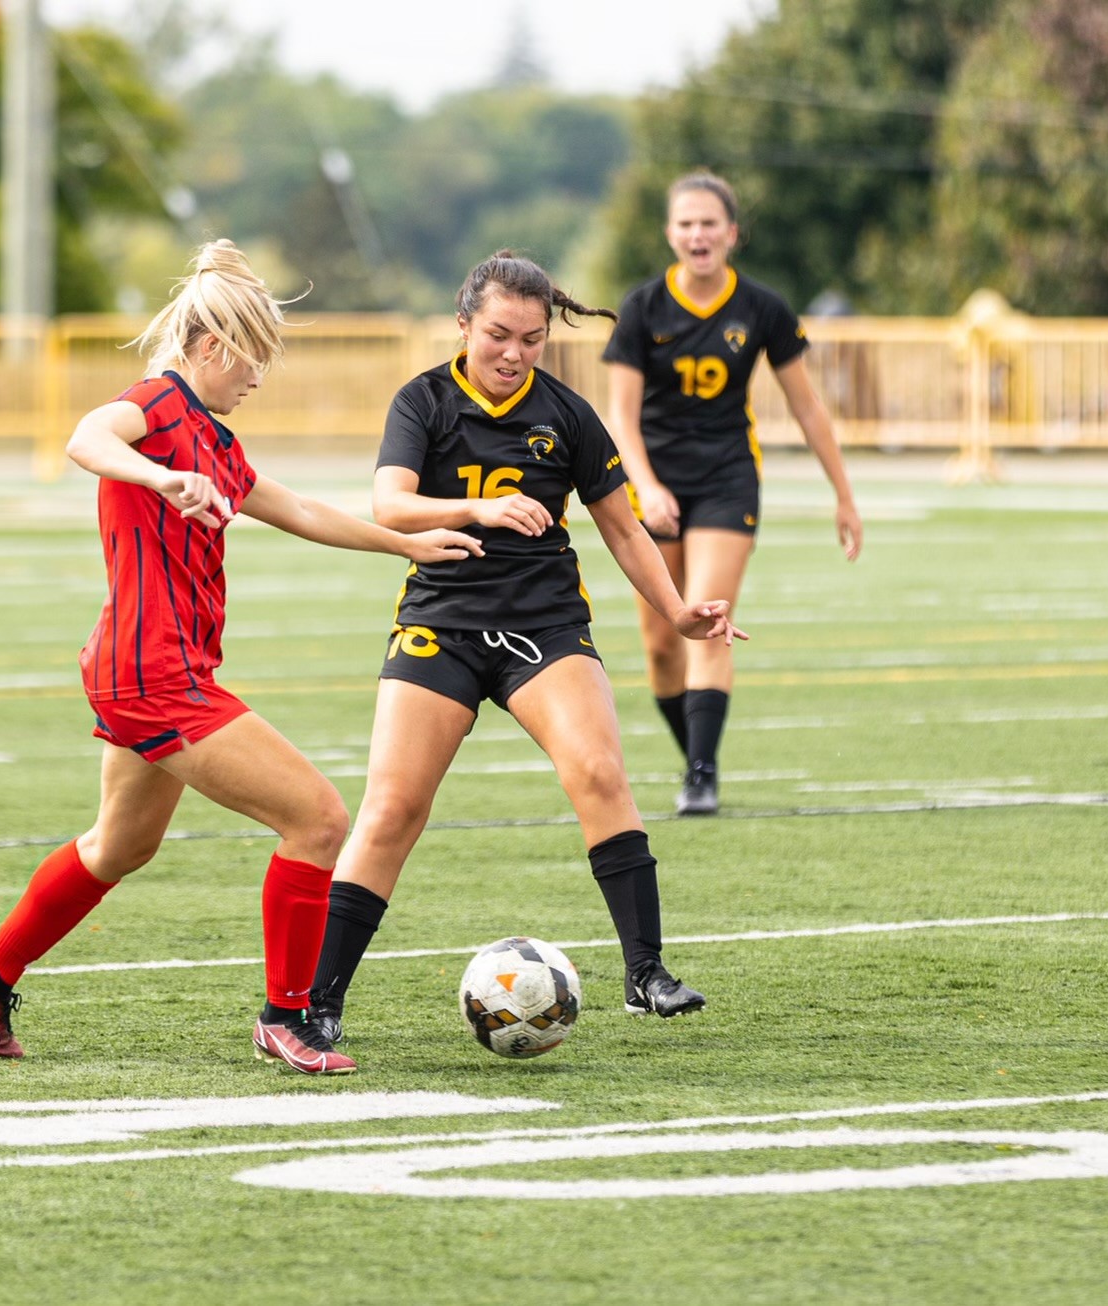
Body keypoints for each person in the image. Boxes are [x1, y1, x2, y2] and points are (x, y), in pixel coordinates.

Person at [0, 239, 480, 1075]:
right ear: (212, 347)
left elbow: (299, 507)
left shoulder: (216, 441)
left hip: (147, 666)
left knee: (119, 847)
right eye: (253, 360)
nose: (257, 379)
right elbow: (87, 438)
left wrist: (411, 544)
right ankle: (286, 1018)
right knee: (318, 819)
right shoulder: (154, 407)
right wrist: (159, 481)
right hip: (155, 673)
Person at [306, 251, 746, 1052]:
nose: (513, 354)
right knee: (393, 807)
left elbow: (621, 526)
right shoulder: (425, 400)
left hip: (543, 627)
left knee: (599, 771)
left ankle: (645, 974)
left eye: (532, 340)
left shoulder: (567, 414)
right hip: (439, 624)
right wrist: (483, 507)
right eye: (499, 335)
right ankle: (321, 1002)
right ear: (464, 323)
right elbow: (389, 504)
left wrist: (679, 612)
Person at [603, 170, 862, 817]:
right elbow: (620, 417)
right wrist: (645, 486)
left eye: (709, 223)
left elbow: (807, 408)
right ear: (670, 233)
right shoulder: (641, 308)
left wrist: (843, 495)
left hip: (725, 477)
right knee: (662, 643)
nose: (697, 234)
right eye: (685, 223)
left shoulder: (762, 308)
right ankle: (694, 750)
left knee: (708, 618)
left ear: (731, 234)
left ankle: (700, 773)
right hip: (653, 483)